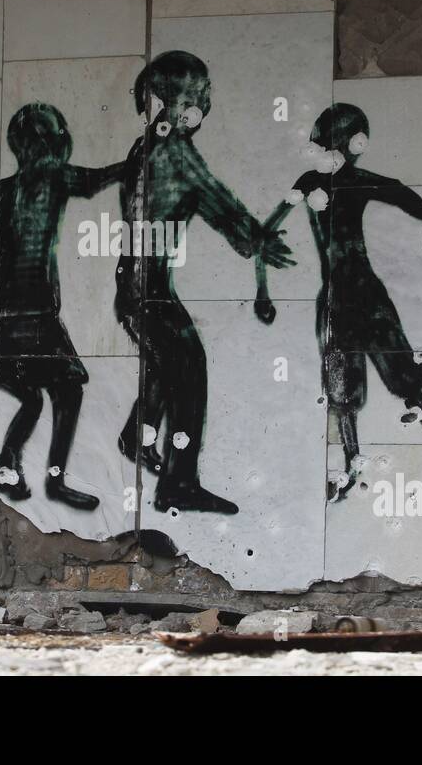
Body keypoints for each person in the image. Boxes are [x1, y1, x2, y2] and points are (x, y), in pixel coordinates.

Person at [255, 102, 422, 499]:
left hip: (355, 297)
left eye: (328, 144)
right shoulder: (315, 181)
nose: (324, 153)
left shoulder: (338, 181)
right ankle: (356, 465)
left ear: (349, 144)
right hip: (348, 298)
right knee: (346, 392)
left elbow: (403, 196)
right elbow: (268, 230)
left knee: (395, 382)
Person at [114, 51, 294, 515]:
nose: (205, 105)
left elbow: (208, 201)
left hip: (135, 287)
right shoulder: (176, 151)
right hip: (148, 289)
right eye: (201, 95)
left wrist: (251, 238)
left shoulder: (145, 148)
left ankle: (138, 436)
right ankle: (178, 484)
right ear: (183, 106)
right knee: (188, 366)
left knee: (169, 362)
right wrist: (257, 241)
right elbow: (217, 200)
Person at [0, 102, 124, 510]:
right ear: (52, 141)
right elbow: (94, 180)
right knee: (67, 389)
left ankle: (8, 461)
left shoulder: (8, 187)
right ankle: (54, 480)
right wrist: (135, 160)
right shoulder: (52, 175)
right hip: (32, 315)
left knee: (33, 398)